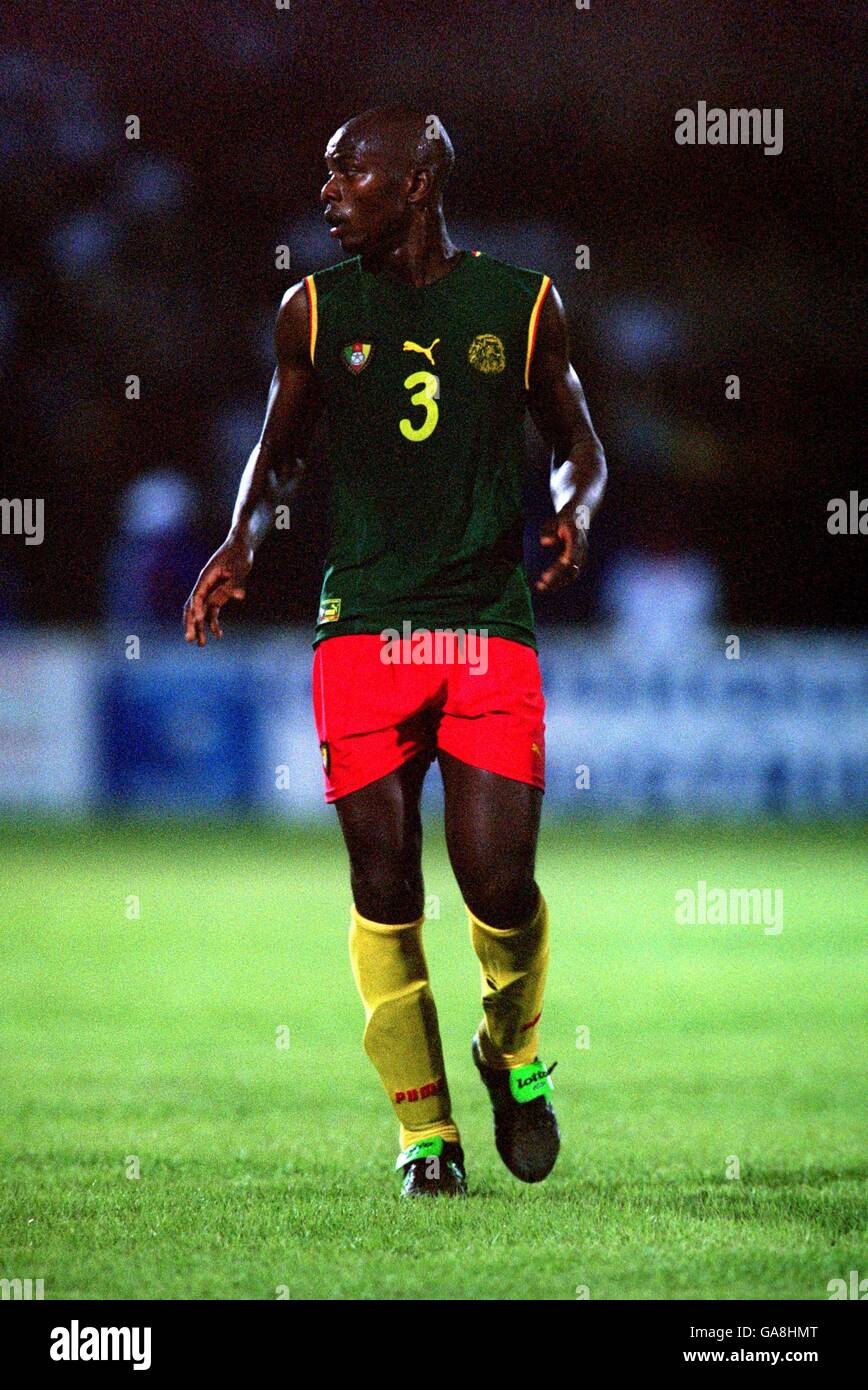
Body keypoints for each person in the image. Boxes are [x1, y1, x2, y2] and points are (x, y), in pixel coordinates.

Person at [183, 106, 606, 1197]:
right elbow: (275, 459)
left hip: (484, 625)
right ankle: (427, 1138)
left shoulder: (521, 305)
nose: (327, 193)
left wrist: (574, 505)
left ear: (415, 182)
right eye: (324, 174)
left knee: (499, 883)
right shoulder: (313, 311)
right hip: (362, 627)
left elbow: (577, 441)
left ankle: (510, 1053)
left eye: (347, 173)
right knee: (384, 881)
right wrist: (239, 538)